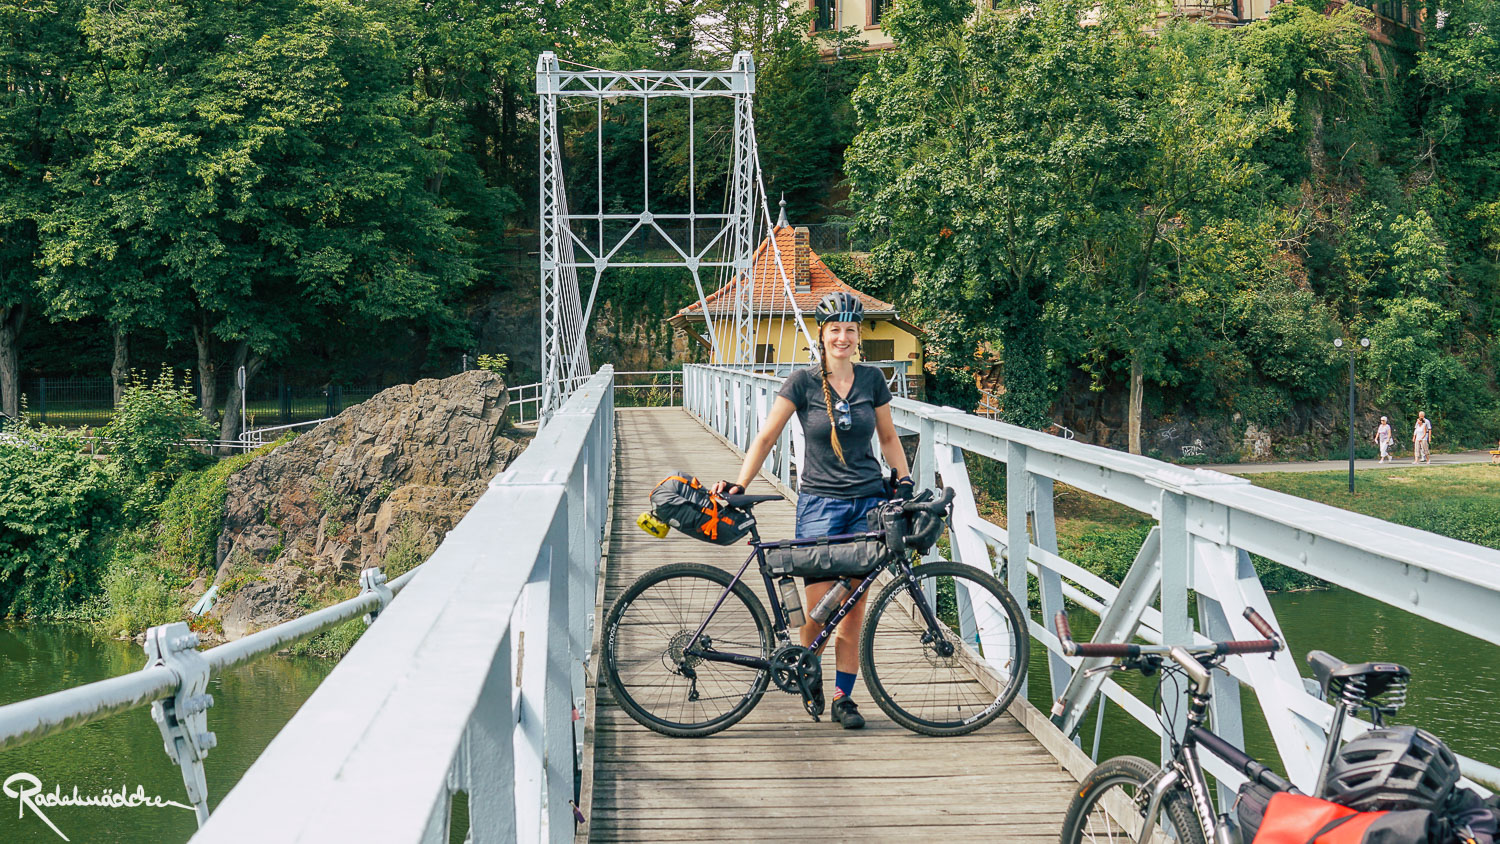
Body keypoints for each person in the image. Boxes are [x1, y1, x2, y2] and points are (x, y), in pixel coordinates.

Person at [712, 291, 913, 730]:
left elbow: (889, 439)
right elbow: (766, 436)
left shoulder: (872, 379)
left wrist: (904, 479)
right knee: (820, 607)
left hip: (868, 505)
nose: (843, 337)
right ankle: (809, 674)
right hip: (820, 506)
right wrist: (740, 483)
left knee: (854, 608)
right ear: (821, 336)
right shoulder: (802, 382)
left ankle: (844, 698)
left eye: (851, 331)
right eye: (835, 330)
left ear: (859, 336)